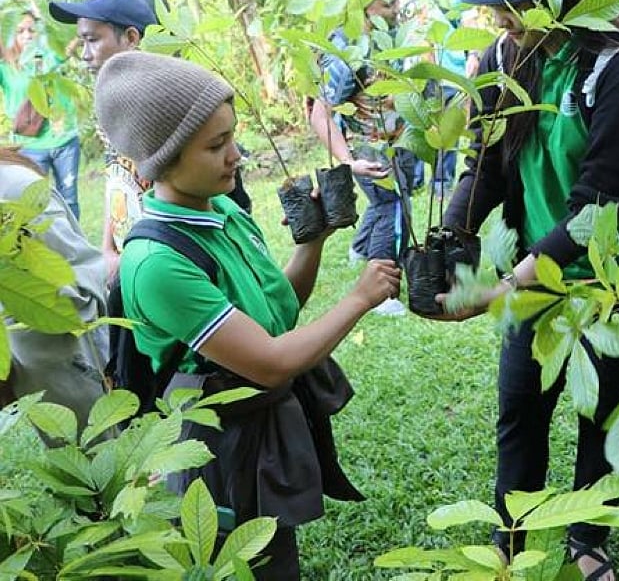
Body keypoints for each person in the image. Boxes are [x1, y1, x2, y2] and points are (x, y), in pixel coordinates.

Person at [429, 0, 619, 581]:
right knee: (521, 408)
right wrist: (453, 238)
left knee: (601, 413)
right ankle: (510, 546)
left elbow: (605, 203)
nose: (501, 15)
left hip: (615, 276)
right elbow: (480, 164)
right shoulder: (503, 60)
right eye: (496, 1)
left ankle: (586, 539)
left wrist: (516, 279)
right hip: (536, 273)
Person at [94, 51, 401, 579]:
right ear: (164, 159)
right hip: (216, 447)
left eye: (232, 136)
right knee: (245, 560)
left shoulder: (223, 210)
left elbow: (275, 312)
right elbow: (269, 361)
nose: (236, 155)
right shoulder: (157, 262)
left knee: (275, 552)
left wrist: (312, 243)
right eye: (216, 146)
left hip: (256, 423)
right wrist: (358, 299)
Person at [48, 0, 252, 280]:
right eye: (82, 41)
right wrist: (108, 249)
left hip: (174, 263)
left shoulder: (176, 103)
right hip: (136, 262)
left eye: (92, 40)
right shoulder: (117, 104)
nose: (85, 54)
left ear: (132, 38)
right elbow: (116, 175)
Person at [309, 0, 414, 316]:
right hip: (368, 147)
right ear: (366, 5)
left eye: (397, 1)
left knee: (387, 203)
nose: (395, 9)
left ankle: (358, 247)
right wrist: (348, 161)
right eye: (388, 4)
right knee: (393, 207)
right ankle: (383, 291)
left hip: (393, 141)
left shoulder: (386, 37)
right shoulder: (346, 51)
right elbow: (320, 114)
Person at [0, 147, 108, 426]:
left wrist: (20, 303)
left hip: (65, 354)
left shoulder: (13, 190)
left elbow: (82, 285)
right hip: (30, 365)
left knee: (106, 448)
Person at [400, 0, 480, 198]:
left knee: (448, 125)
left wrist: (474, 55)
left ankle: (442, 182)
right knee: (416, 121)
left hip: (450, 66)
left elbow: (469, 23)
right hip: (416, 69)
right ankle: (415, 179)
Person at [0, 11, 83, 217]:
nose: (27, 35)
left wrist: (41, 16)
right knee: (35, 203)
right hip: (31, 145)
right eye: (20, 31)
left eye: (31, 30)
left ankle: (74, 243)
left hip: (64, 141)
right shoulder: (6, 68)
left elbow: (73, 43)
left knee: (69, 199)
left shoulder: (48, 55)